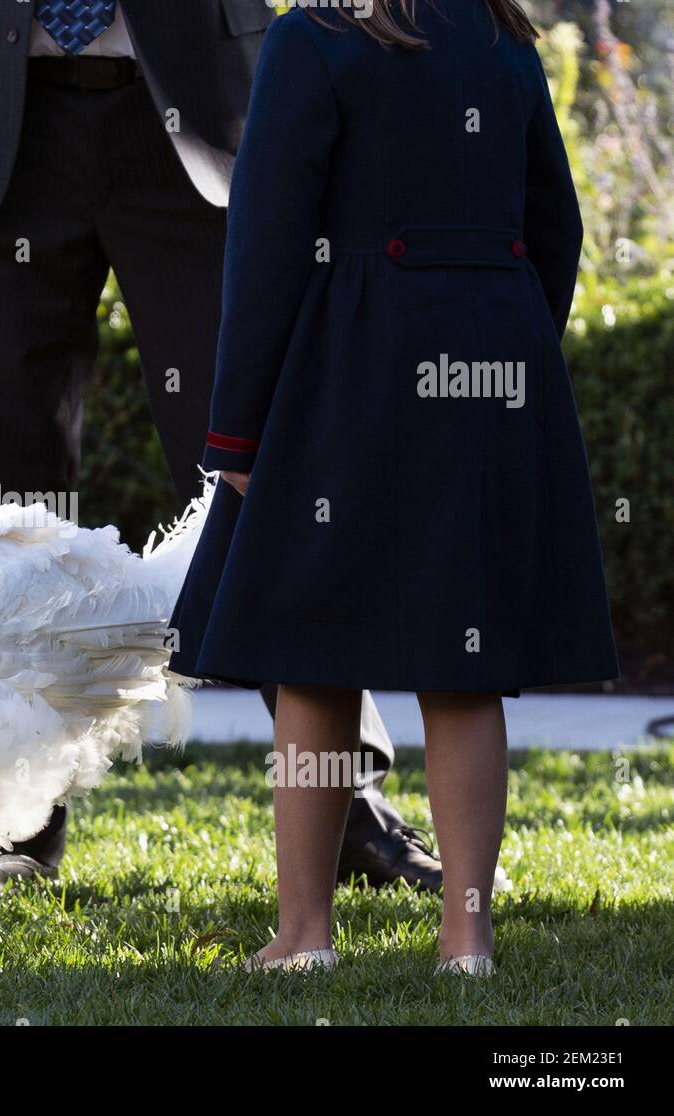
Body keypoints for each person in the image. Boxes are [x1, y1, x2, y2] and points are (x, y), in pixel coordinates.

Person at [0, 0, 443, 892]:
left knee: (264, 468)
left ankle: (350, 809)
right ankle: (9, 823)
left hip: (201, 117)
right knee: (0, 505)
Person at [169, 1, 620, 974]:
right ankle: (467, 939)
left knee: (311, 651)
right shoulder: (506, 41)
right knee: (461, 663)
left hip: (349, 370)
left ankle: (303, 936)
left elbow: (269, 242)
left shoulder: (315, 38)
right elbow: (556, 224)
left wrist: (235, 429)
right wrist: (507, 337)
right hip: (490, 375)